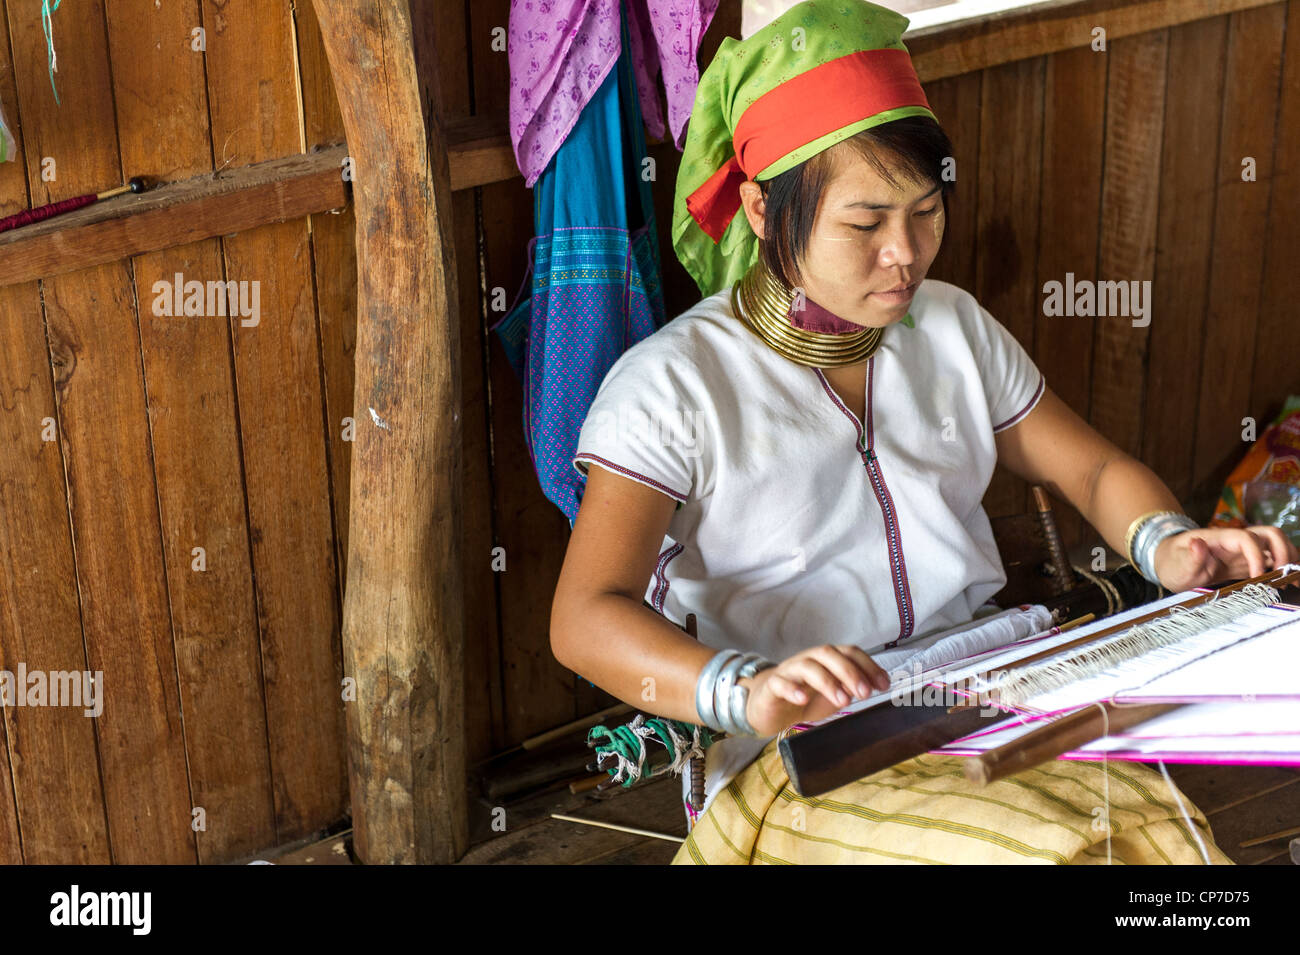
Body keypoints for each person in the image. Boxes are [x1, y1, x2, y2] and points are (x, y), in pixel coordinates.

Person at [549, 0, 1298, 864]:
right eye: (865, 224)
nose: (906, 254)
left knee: (1156, 843)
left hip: (995, 694)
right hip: (805, 753)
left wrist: (1168, 545)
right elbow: (584, 616)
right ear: (761, 210)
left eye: (926, 212)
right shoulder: (674, 385)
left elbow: (1089, 472)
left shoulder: (952, 330)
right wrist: (744, 688)